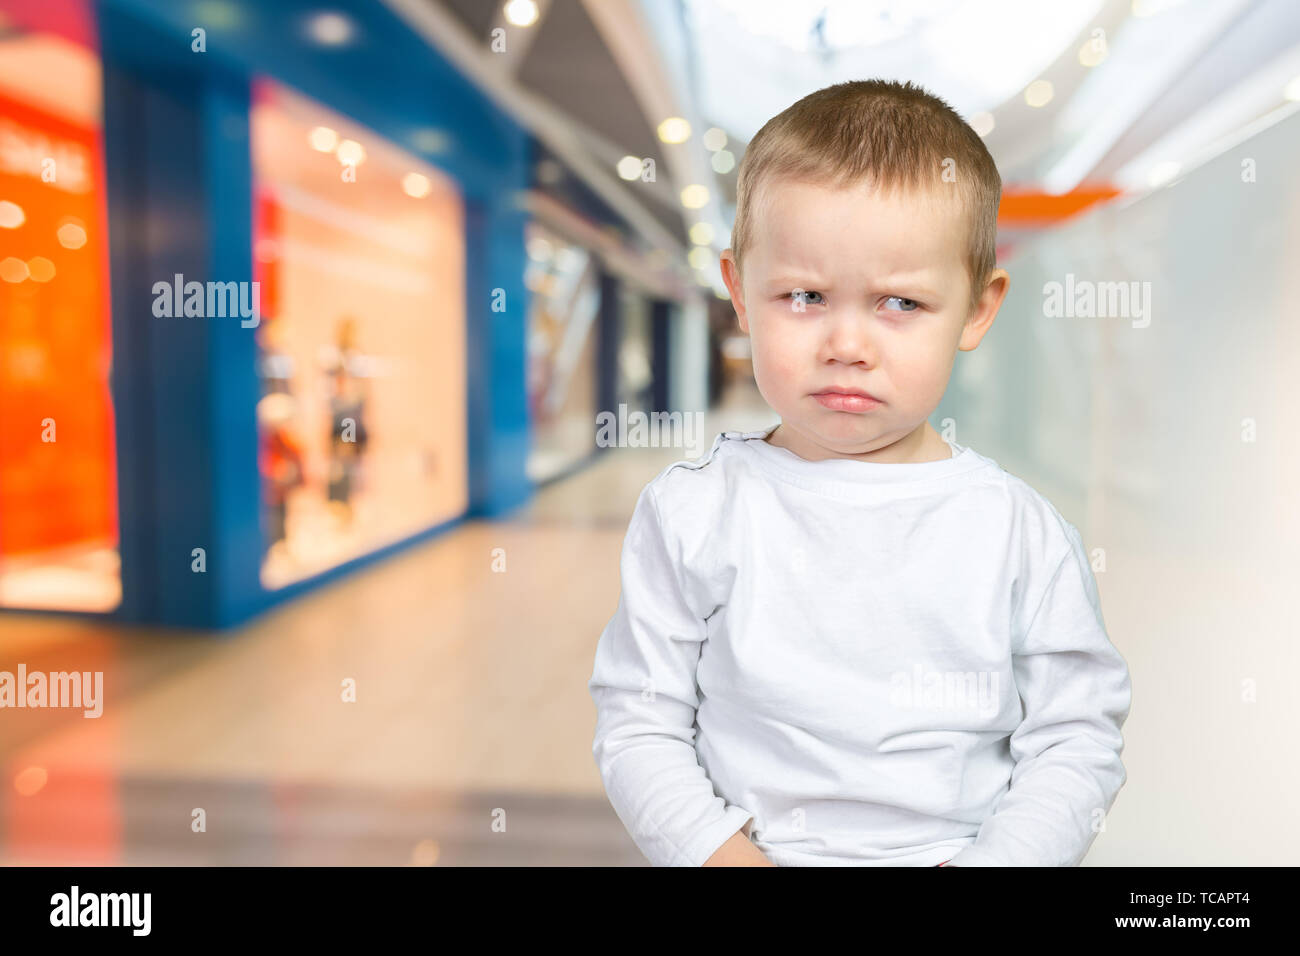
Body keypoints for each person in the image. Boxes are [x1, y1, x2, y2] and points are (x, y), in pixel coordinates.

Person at [587, 80, 1131, 867]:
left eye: (900, 303)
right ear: (740, 290)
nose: (848, 343)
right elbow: (640, 720)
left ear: (977, 311)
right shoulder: (693, 512)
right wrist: (721, 855)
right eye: (804, 295)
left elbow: (1076, 738)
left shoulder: (1018, 534)